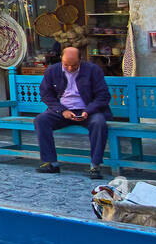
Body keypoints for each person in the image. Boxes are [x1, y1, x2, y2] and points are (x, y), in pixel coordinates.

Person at [34, 46, 111, 179]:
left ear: (81, 59)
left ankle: (95, 165)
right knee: (41, 120)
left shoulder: (93, 70)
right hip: (62, 110)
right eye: (66, 65)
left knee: (99, 123)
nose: (70, 68)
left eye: (74, 65)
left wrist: (88, 111)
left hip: (88, 110)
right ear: (61, 59)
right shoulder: (52, 71)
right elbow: (46, 95)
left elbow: (103, 96)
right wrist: (62, 110)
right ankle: (51, 163)